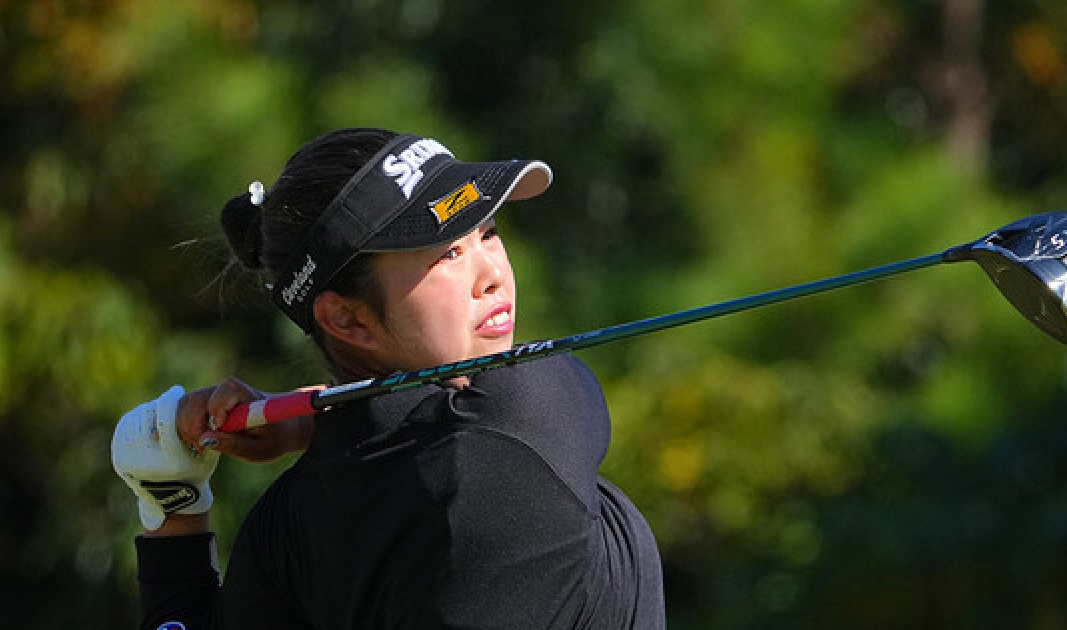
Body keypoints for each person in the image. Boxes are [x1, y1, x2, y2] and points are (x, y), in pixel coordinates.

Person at [111, 127, 667, 629]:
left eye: (488, 232)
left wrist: (173, 502)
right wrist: (309, 418)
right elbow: (463, 421)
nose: (493, 275)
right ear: (346, 318)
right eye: (448, 252)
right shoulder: (522, 424)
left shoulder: (288, 530)